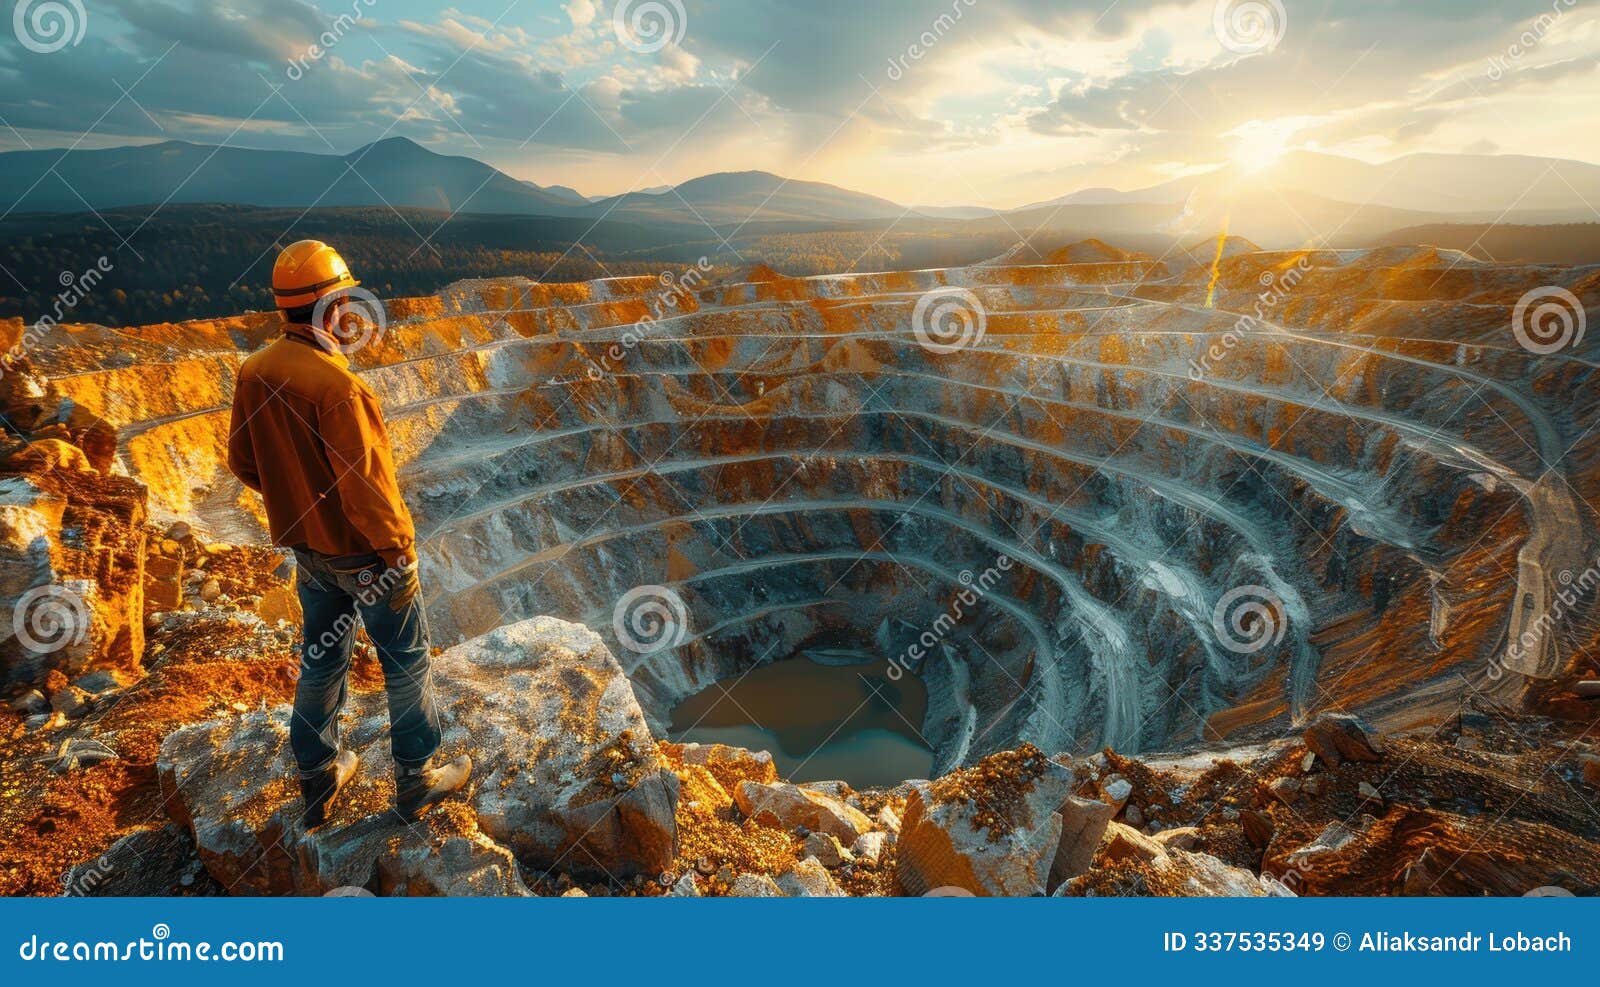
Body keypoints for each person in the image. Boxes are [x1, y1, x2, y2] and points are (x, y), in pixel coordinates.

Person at [226, 240, 470, 827]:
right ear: (330, 307)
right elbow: (367, 487)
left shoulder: (256, 371)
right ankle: (417, 778)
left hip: (307, 552)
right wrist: (398, 554)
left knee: (322, 659)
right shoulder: (339, 388)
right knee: (406, 660)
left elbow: (243, 462)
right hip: (367, 556)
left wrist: (299, 501)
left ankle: (317, 774)